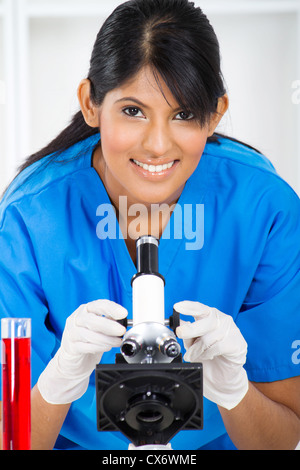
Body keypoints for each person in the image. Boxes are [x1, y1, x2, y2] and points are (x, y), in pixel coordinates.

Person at [0, 0, 299, 450]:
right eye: (133, 111)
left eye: (183, 114)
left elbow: (283, 434)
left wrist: (233, 391)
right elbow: (11, 437)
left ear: (215, 113)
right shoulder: (29, 218)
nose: (157, 145)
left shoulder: (263, 208)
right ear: (91, 103)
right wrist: (58, 381)